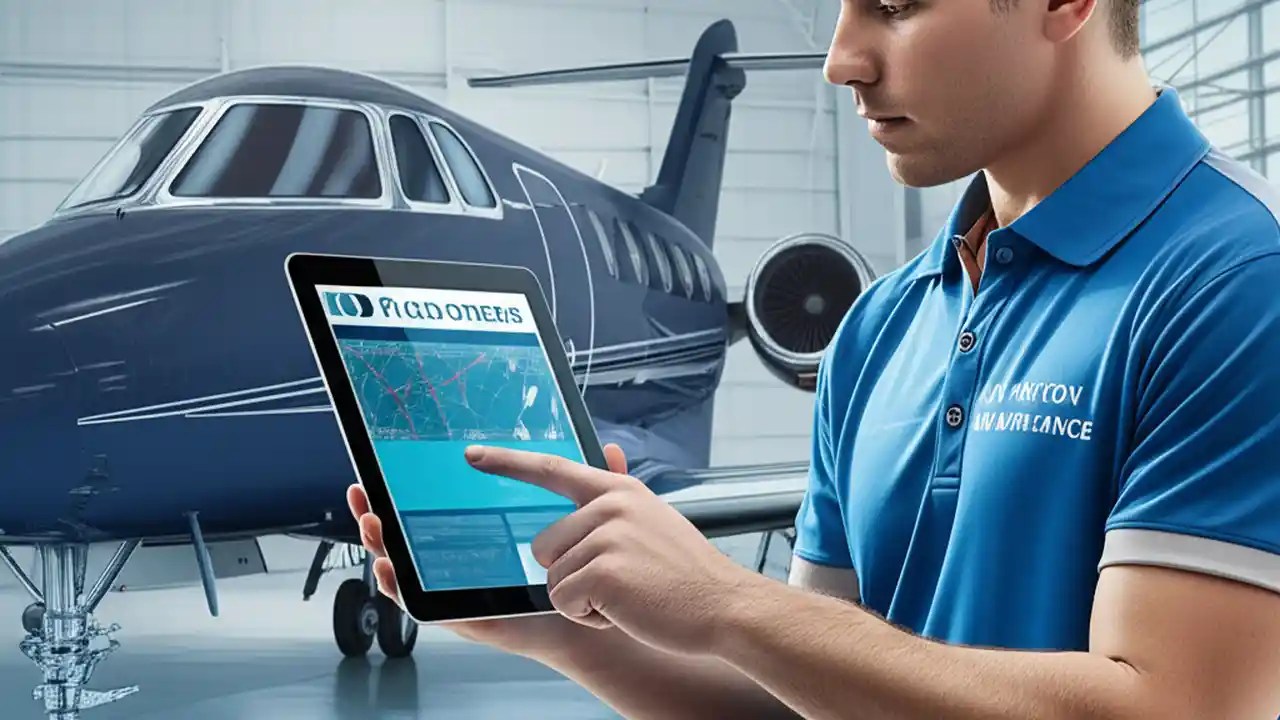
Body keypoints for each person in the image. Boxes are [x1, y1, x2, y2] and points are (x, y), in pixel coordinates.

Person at [349, 0, 1280, 717]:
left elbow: (1175, 708)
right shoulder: (879, 327)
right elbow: (809, 691)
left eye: (896, 5)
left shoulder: (1240, 281)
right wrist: (566, 627)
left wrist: (727, 601)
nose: (842, 60)